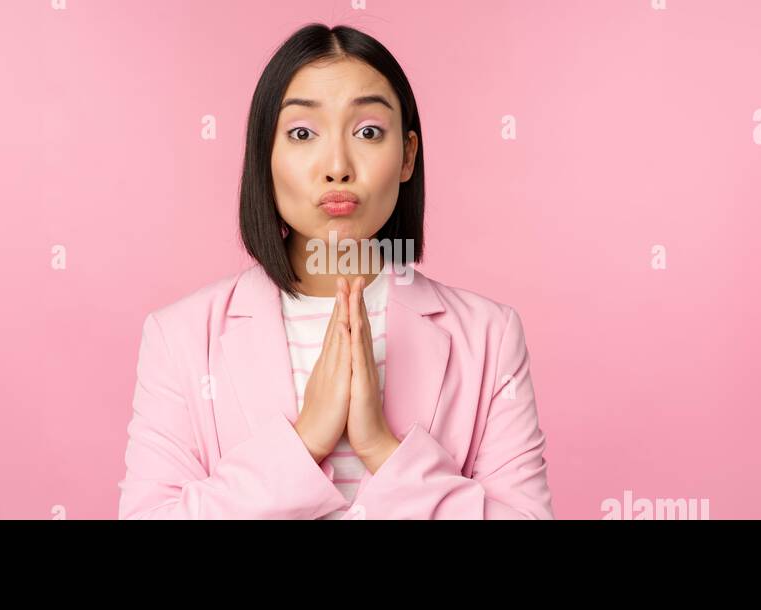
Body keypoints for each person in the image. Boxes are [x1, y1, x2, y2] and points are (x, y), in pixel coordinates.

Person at [118, 23, 553, 519]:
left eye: (368, 131)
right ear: (266, 155)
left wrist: (381, 448)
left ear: (407, 155)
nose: (337, 166)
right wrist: (304, 443)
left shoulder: (490, 335)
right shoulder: (179, 337)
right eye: (302, 133)